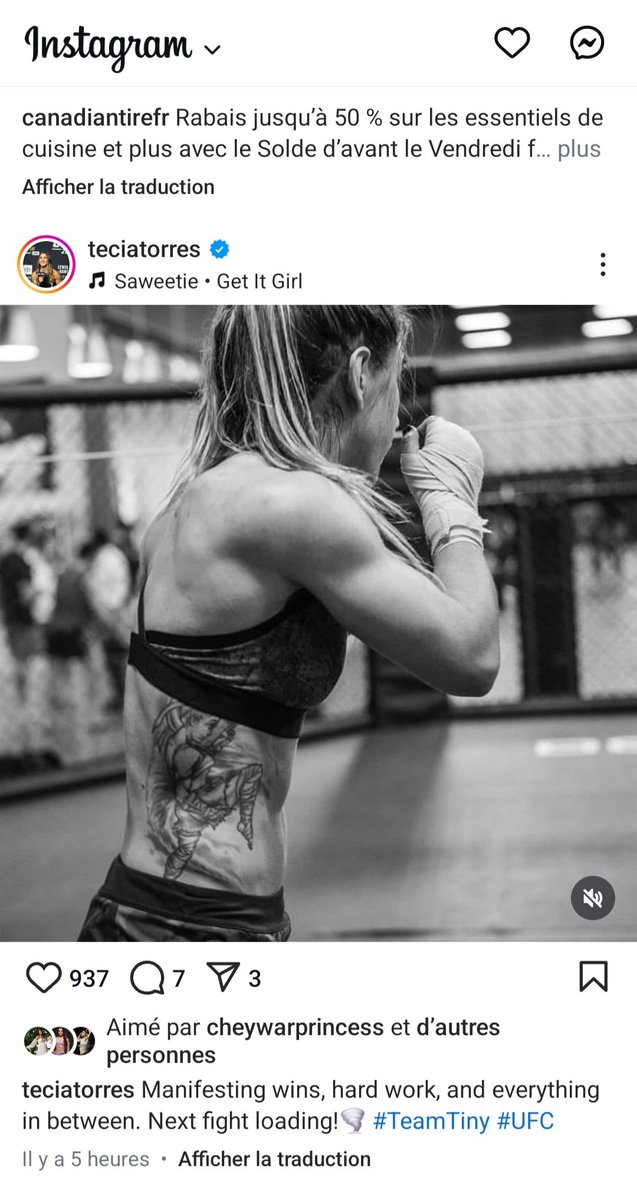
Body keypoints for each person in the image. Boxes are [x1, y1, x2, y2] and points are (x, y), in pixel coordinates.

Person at [79, 306, 499, 943]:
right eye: (396, 385)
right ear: (360, 373)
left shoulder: (192, 504)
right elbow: (471, 656)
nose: (396, 421)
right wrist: (451, 505)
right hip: (191, 927)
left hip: (172, 910)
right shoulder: (291, 503)